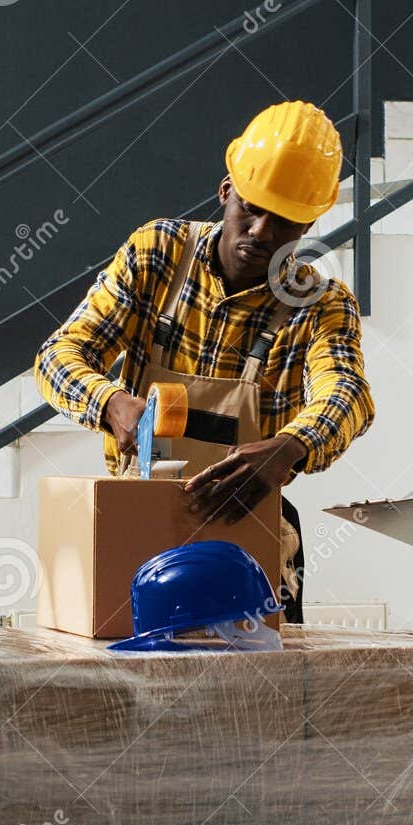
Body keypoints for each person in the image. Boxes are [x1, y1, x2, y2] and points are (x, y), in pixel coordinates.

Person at [34, 100, 376, 622]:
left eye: (284, 221)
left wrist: (287, 448)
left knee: (261, 694)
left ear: (311, 221)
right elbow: (59, 354)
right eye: (250, 207)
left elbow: (347, 394)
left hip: (250, 532)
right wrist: (111, 403)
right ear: (225, 191)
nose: (261, 231)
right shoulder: (158, 255)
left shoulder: (321, 305)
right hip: (136, 518)